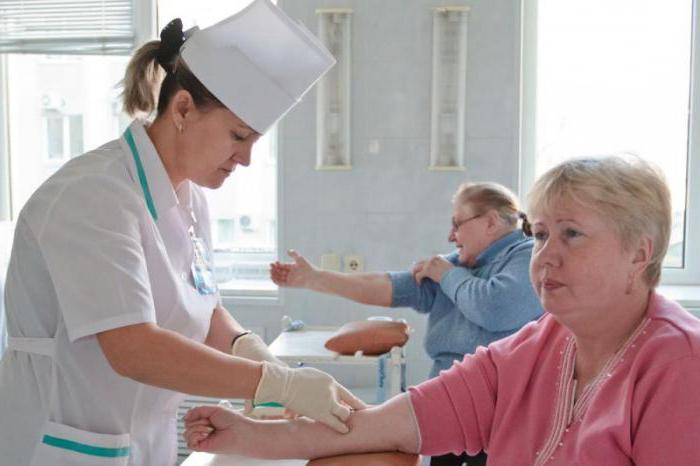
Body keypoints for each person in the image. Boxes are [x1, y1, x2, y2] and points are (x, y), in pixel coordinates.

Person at [0, 2, 366, 465]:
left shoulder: (189, 198)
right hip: (61, 444)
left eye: (254, 141)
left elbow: (203, 304)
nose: (246, 159)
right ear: (183, 107)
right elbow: (133, 348)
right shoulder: (93, 196)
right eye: (238, 136)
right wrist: (272, 383)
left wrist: (250, 350)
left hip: (142, 441)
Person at [185, 155, 700, 465]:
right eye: (541, 235)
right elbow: (387, 424)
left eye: (572, 234)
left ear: (640, 252)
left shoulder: (678, 366)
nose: (547, 256)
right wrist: (254, 434)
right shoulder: (533, 349)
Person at [271, 181, 543, 466]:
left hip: (498, 408)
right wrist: (317, 279)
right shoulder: (458, 265)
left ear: (490, 222)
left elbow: (496, 307)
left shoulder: (526, 256)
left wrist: (447, 275)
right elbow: (391, 287)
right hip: (448, 399)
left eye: (457, 224)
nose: (451, 236)